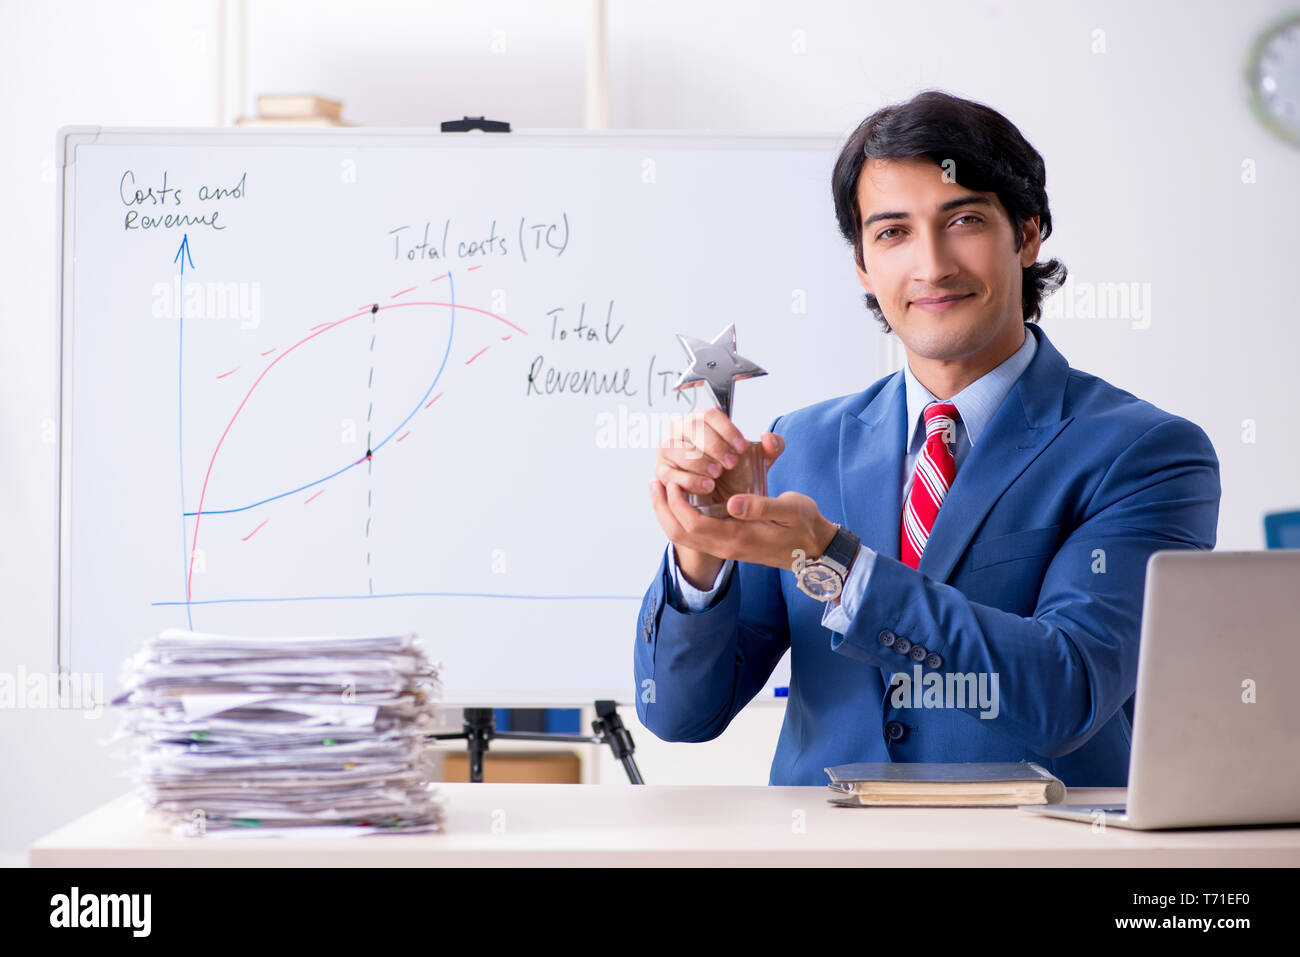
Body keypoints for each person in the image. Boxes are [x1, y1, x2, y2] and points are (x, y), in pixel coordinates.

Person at [635, 90, 1221, 787]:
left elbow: (1069, 691)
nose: (932, 264)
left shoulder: (1146, 454)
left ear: (1028, 235)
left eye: (964, 219)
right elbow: (679, 713)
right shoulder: (801, 445)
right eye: (892, 233)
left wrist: (835, 562)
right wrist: (701, 554)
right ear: (862, 265)